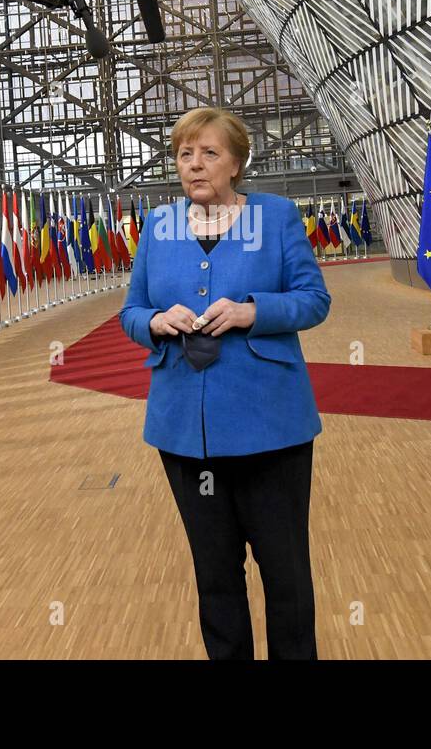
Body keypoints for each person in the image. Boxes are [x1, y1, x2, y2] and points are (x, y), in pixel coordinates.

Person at [119, 106, 331, 660]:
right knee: (214, 575)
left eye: (209, 153)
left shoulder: (277, 216)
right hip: (186, 431)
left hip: (272, 428)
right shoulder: (159, 226)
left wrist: (250, 312)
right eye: (185, 154)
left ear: (237, 163)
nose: (195, 165)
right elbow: (132, 312)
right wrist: (155, 324)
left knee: (285, 574)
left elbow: (315, 301)